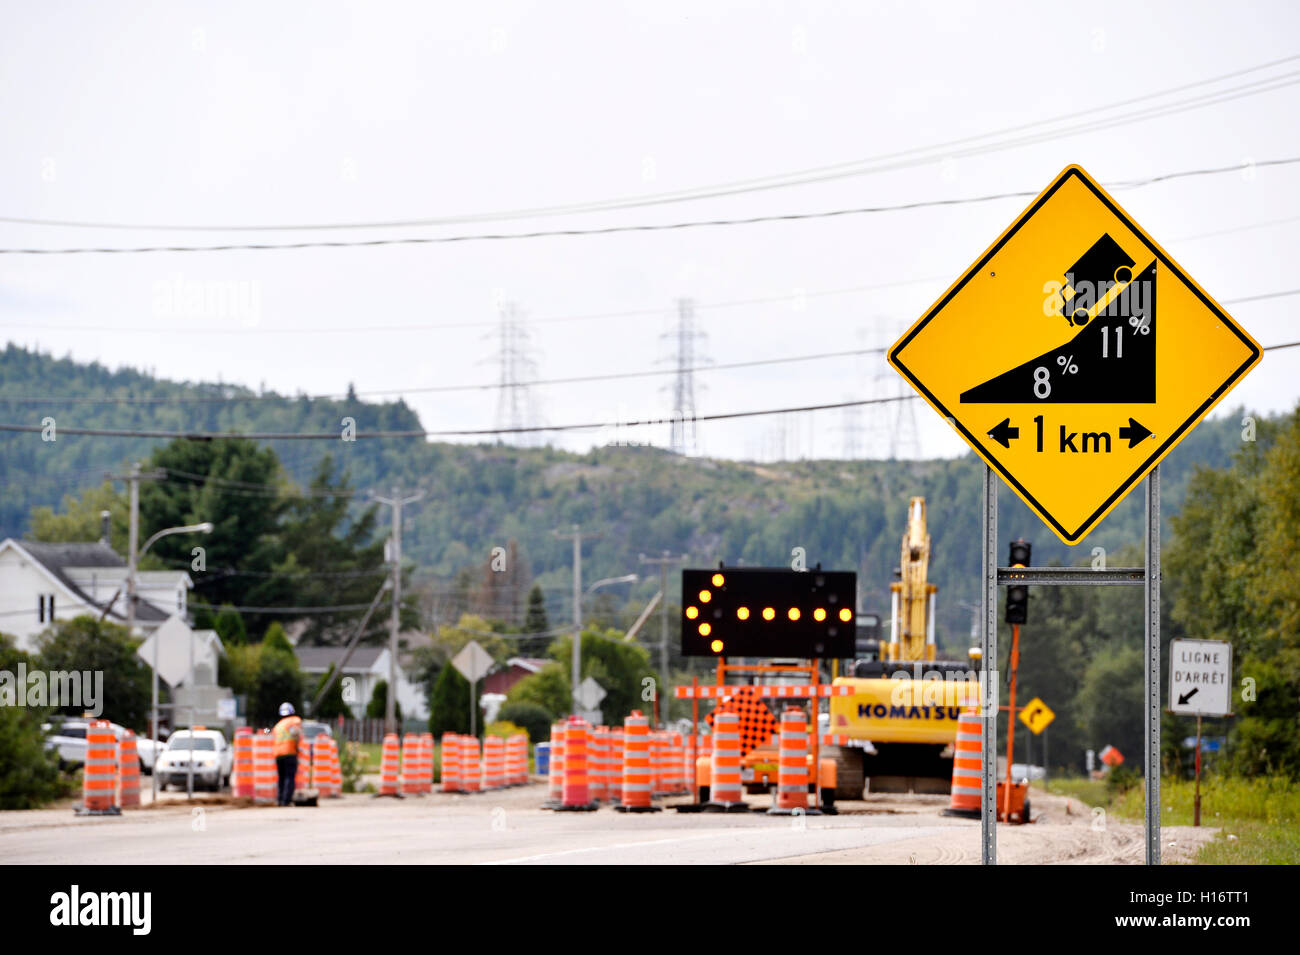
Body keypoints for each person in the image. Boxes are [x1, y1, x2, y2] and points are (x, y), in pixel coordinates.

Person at [272, 702, 303, 806]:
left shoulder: (278, 725)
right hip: (289, 752)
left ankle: (280, 800)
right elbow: (295, 734)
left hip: (278, 754)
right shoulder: (294, 721)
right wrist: (297, 747)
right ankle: (286, 801)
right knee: (289, 777)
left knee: (281, 777)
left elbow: (272, 734)